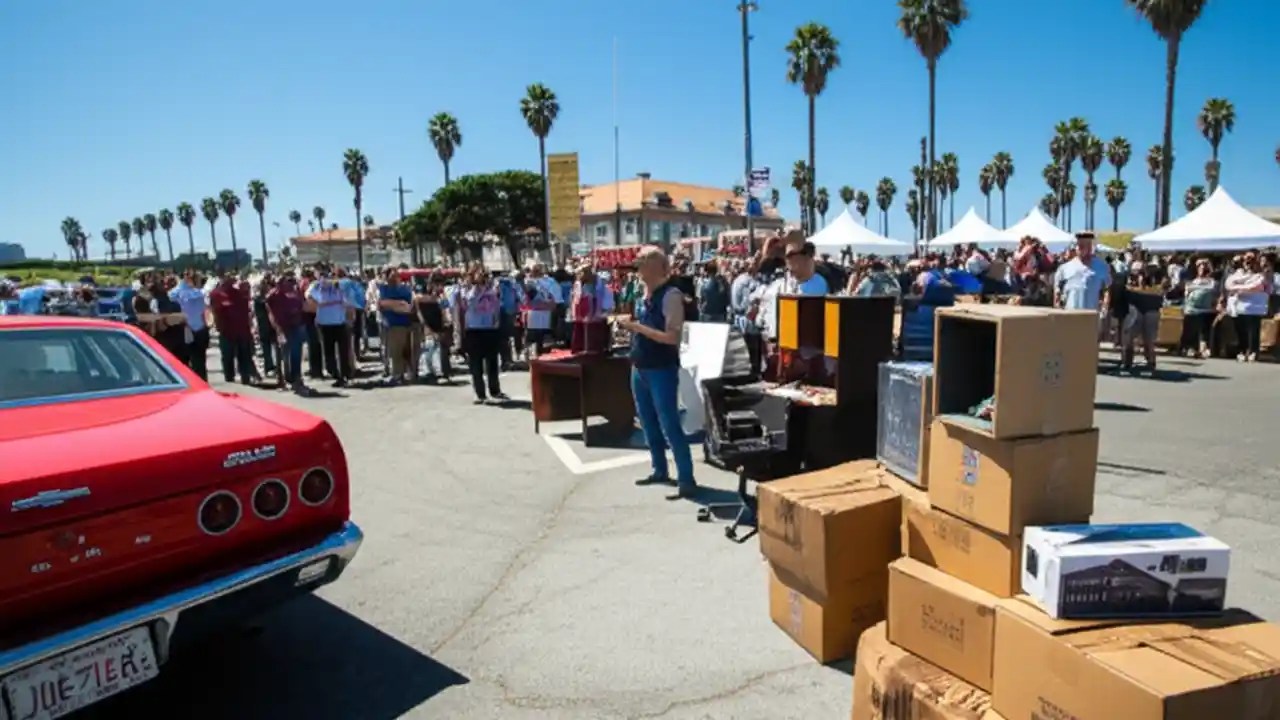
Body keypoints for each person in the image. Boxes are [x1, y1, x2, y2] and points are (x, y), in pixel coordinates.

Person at [617, 246, 696, 500]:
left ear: (654, 266)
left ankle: (686, 478)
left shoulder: (671, 295)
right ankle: (659, 469)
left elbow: (673, 336)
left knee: (669, 423)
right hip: (641, 366)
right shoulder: (646, 294)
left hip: (661, 368)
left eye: (641, 263)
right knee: (648, 422)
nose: (637, 268)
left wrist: (638, 328)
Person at [452, 264, 507, 404]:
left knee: (492, 362)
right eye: (478, 274)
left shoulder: (492, 290)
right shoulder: (466, 290)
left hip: (489, 329)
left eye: (483, 274)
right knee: (476, 364)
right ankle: (480, 393)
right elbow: (469, 304)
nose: (481, 277)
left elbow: (496, 307)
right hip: (474, 329)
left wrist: (496, 322)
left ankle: (495, 390)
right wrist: (478, 290)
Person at [307, 269, 352, 387]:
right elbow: (308, 298)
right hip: (324, 324)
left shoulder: (339, 285)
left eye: (328, 275)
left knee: (343, 351)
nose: (326, 278)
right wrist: (319, 304)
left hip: (340, 322)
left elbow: (348, 302)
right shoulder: (316, 286)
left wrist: (349, 318)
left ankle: (344, 375)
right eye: (323, 275)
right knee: (328, 351)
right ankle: (335, 373)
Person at [208, 271, 255, 384]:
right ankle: (229, 379)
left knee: (244, 355)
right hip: (226, 331)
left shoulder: (240, 293)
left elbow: (247, 309)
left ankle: (245, 377)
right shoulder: (216, 294)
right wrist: (218, 326)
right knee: (227, 356)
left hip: (242, 329)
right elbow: (214, 311)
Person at [266, 270, 309, 392]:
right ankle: (287, 379)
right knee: (285, 354)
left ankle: (295, 377)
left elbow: (302, 306)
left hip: (295, 325)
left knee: (295, 353)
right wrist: (277, 327)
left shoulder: (295, 293)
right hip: (283, 327)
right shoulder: (273, 295)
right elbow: (270, 310)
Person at [1225, 251, 1272, 362]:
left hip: (1255, 308)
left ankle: (1253, 351)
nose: (1248, 262)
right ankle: (1242, 350)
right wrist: (1245, 287)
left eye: (1251, 259)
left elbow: (1257, 286)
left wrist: (1238, 288)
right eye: (1246, 259)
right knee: (1241, 331)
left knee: (1253, 332)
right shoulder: (1237, 273)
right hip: (1239, 307)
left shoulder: (1261, 275)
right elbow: (1228, 285)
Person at [1054, 232, 1111, 315]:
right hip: (1069, 317)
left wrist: (1104, 309)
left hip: (1092, 317)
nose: (1081, 248)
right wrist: (1058, 312)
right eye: (1079, 245)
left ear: (1091, 247)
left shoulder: (1102, 267)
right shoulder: (1064, 269)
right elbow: (1057, 293)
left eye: (1086, 245)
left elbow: (1107, 290)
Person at [170, 270, 210, 380]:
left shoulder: (173, 294)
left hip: (183, 330)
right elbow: (204, 312)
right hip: (199, 329)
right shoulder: (199, 293)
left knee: (183, 363)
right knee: (200, 362)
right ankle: (202, 383)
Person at [378, 269, 415, 384]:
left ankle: (399, 375)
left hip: (402, 324)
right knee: (393, 351)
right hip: (389, 323)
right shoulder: (384, 289)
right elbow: (381, 304)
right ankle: (398, 374)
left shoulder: (405, 290)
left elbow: (409, 307)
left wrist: (393, 305)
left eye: (396, 276)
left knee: (400, 351)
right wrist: (398, 304)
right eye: (391, 276)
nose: (394, 279)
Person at [1181, 258, 1218, 358]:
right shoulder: (1192, 281)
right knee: (1191, 330)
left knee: (1204, 331)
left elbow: (1211, 290)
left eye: (1205, 266)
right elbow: (1186, 293)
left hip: (1206, 310)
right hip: (1191, 310)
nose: (1202, 268)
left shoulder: (1212, 282)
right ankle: (1190, 348)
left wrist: (1195, 288)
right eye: (1200, 266)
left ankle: (1204, 349)